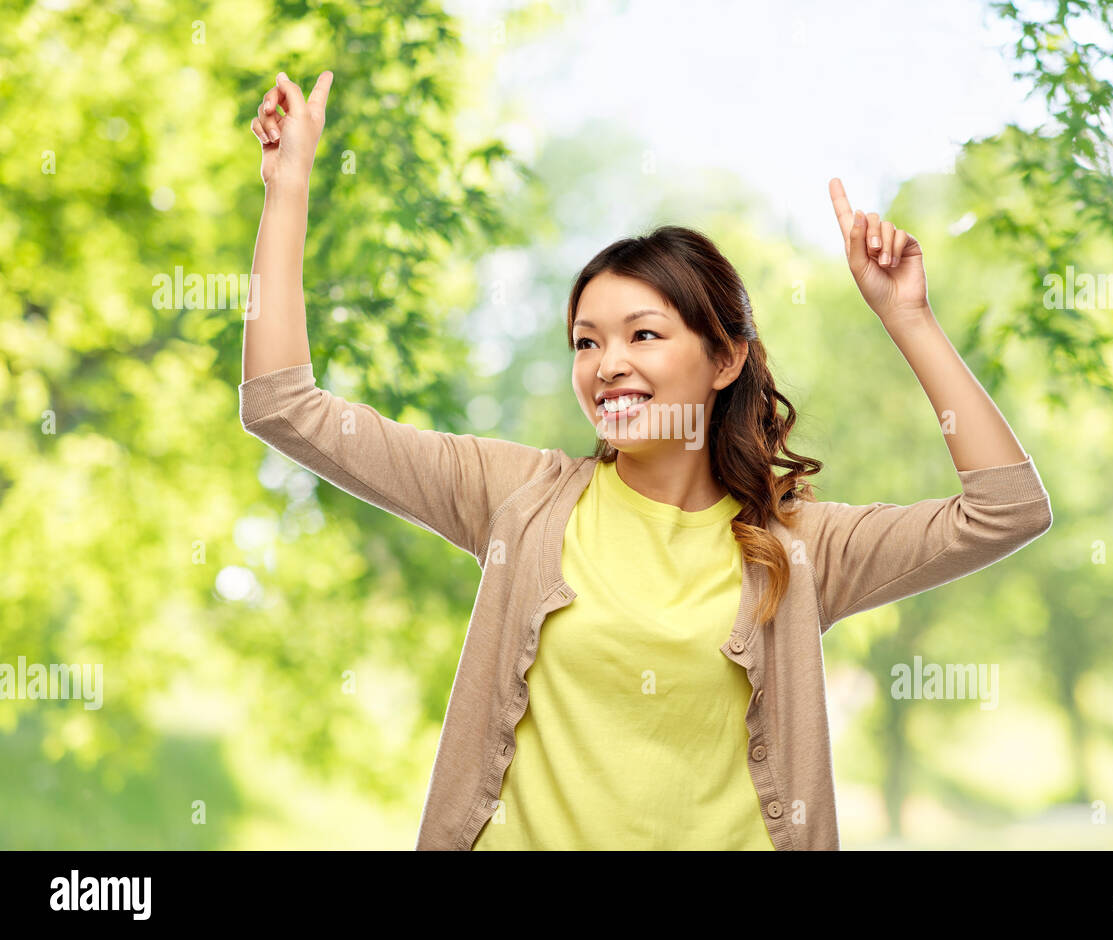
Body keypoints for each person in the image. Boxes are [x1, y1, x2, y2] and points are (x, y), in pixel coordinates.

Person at [241, 72, 1053, 850]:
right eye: (586, 342)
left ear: (725, 359)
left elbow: (1006, 511)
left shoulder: (801, 549)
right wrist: (288, 188)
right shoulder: (516, 500)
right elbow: (285, 408)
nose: (607, 364)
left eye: (644, 334)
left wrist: (907, 316)